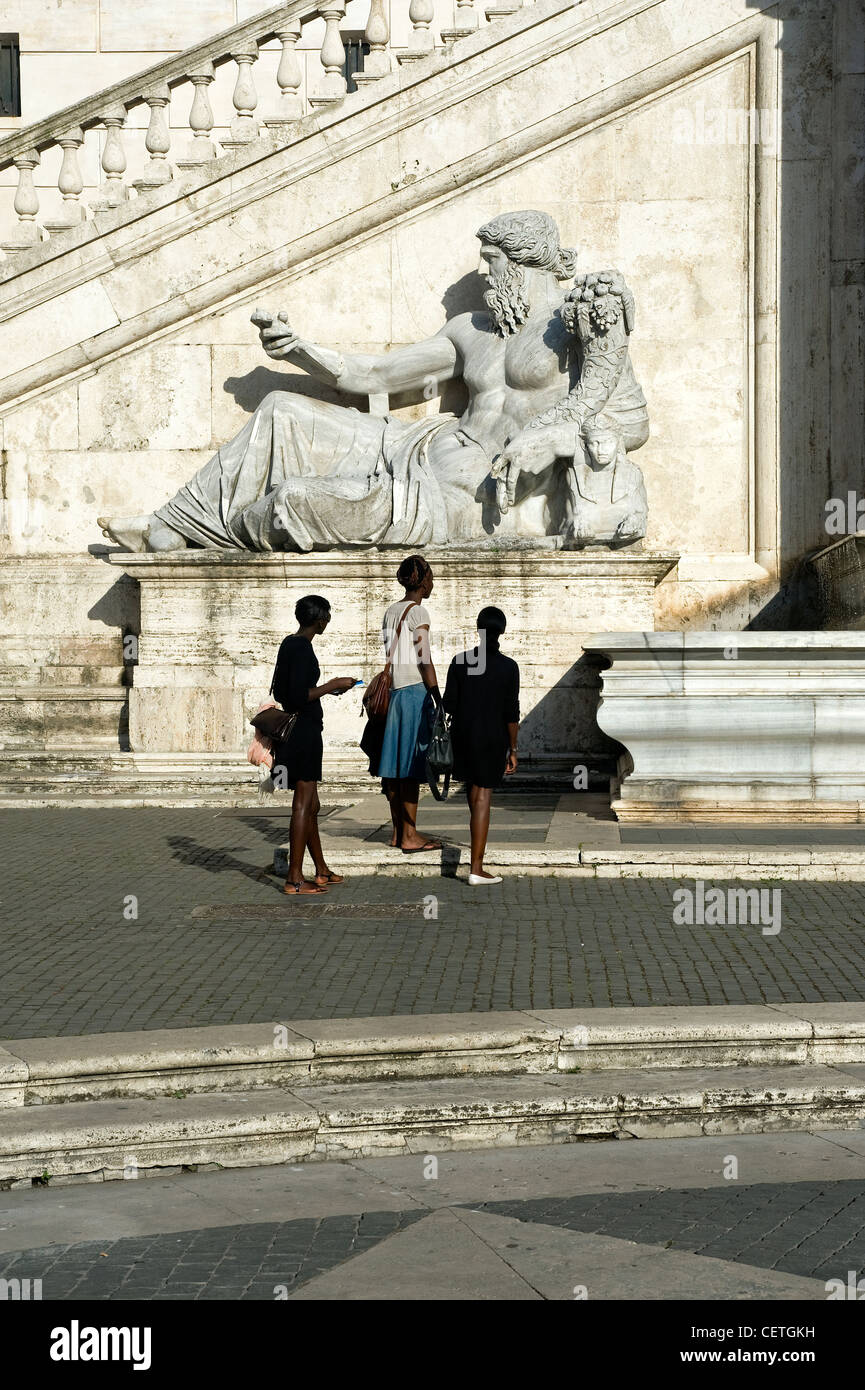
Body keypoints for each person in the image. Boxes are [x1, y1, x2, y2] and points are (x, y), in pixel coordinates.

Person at [271, 594, 357, 894]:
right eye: (327, 616)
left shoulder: (289, 643)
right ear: (321, 620)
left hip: (300, 731)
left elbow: (287, 689)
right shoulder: (302, 649)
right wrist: (331, 685)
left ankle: (320, 868)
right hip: (303, 732)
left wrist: (322, 691)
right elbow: (295, 696)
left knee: (313, 805)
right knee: (303, 806)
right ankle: (294, 878)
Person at [443, 607, 520, 886]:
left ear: (478, 629)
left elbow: (448, 704)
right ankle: (476, 868)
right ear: (502, 632)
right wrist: (513, 749)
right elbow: (511, 713)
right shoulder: (509, 667)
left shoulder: (459, 661)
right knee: (483, 797)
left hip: (463, 736)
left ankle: (476, 863)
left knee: (474, 796)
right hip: (491, 737)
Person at [378, 555, 442, 854]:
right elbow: (423, 656)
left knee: (395, 769)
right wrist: (436, 693)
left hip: (394, 693)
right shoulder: (418, 612)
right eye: (430, 577)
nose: (432, 583)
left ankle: (396, 832)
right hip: (415, 692)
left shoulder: (391, 611)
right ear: (423, 580)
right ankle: (410, 836)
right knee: (414, 768)